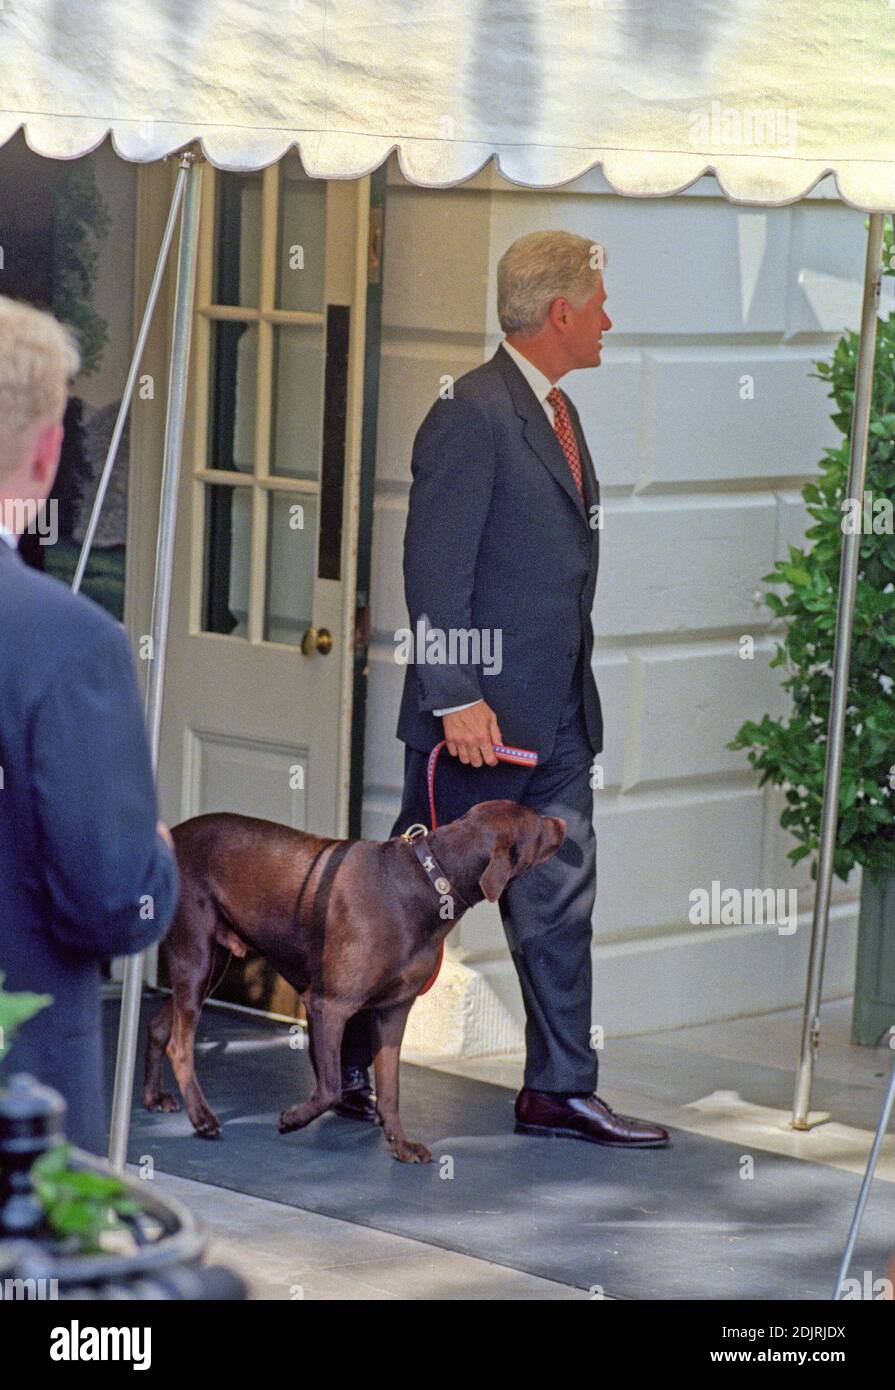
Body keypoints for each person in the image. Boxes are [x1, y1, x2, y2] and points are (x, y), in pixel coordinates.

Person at [338, 231, 668, 1149]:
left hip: (558, 716)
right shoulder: (470, 412)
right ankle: (355, 1074)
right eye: (599, 303)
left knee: (562, 900)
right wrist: (453, 696)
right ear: (559, 312)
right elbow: (433, 567)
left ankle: (559, 1091)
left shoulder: (559, 412)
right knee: (410, 907)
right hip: (474, 725)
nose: (608, 318)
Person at [0, 295, 179, 1154]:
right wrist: (159, 857)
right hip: (19, 1093)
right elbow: (114, 902)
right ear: (46, 452)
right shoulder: (69, 644)